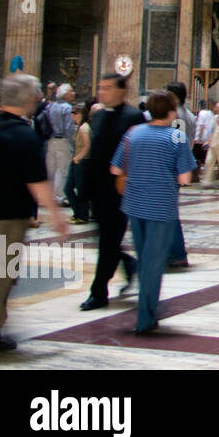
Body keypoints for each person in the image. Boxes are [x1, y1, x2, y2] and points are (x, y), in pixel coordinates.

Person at [0, 74, 68, 353]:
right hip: (2, 220)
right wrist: (56, 216)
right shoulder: (23, 135)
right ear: (30, 100)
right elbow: (38, 182)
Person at [111, 90, 197, 334]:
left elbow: (116, 169)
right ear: (171, 112)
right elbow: (185, 177)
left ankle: (146, 309)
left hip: (134, 205)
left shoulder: (133, 133)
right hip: (160, 206)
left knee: (145, 256)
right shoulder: (176, 138)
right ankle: (145, 318)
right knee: (152, 263)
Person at [80, 73, 145, 311]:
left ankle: (98, 292)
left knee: (108, 240)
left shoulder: (133, 117)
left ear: (121, 91)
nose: (102, 92)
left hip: (120, 189)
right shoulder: (97, 116)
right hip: (98, 188)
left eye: (107, 88)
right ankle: (128, 264)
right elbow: (94, 152)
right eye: (101, 87)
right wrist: (85, 187)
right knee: (107, 240)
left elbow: (136, 154)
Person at [164, 81, 196, 268]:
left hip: (171, 167)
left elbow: (175, 141)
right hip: (178, 165)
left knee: (169, 213)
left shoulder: (176, 116)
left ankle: (176, 252)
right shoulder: (189, 114)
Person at [44, 83, 75, 206]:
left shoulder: (51, 106)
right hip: (63, 140)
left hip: (51, 140)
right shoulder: (67, 108)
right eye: (71, 91)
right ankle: (59, 196)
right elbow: (68, 127)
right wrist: (72, 141)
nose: (73, 93)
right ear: (65, 94)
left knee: (51, 168)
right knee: (62, 169)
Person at [64, 105, 92, 224]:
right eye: (72, 112)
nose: (73, 115)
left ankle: (82, 215)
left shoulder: (83, 128)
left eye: (76, 113)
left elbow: (87, 145)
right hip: (77, 160)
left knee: (80, 190)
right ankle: (78, 213)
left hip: (81, 161)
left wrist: (78, 158)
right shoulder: (79, 127)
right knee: (68, 188)